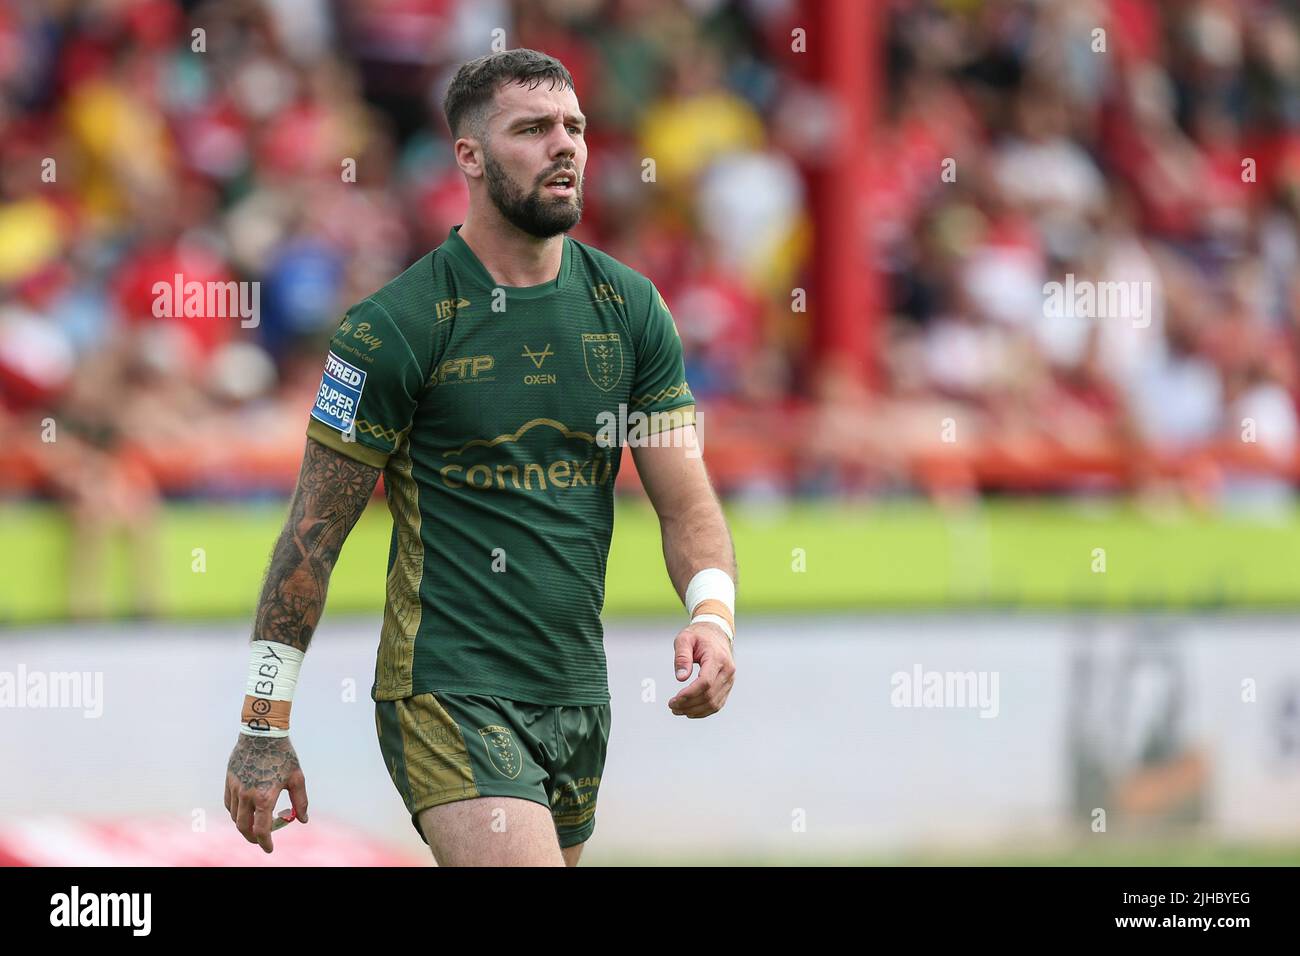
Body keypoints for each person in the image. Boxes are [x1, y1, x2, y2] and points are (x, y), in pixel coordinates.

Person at [223, 49, 738, 866]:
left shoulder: (633, 309)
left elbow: (687, 504)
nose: (563, 144)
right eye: (532, 129)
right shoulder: (393, 327)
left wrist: (713, 617)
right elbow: (310, 539)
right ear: (468, 155)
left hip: (576, 691)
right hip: (447, 690)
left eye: (573, 126)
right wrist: (262, 726)